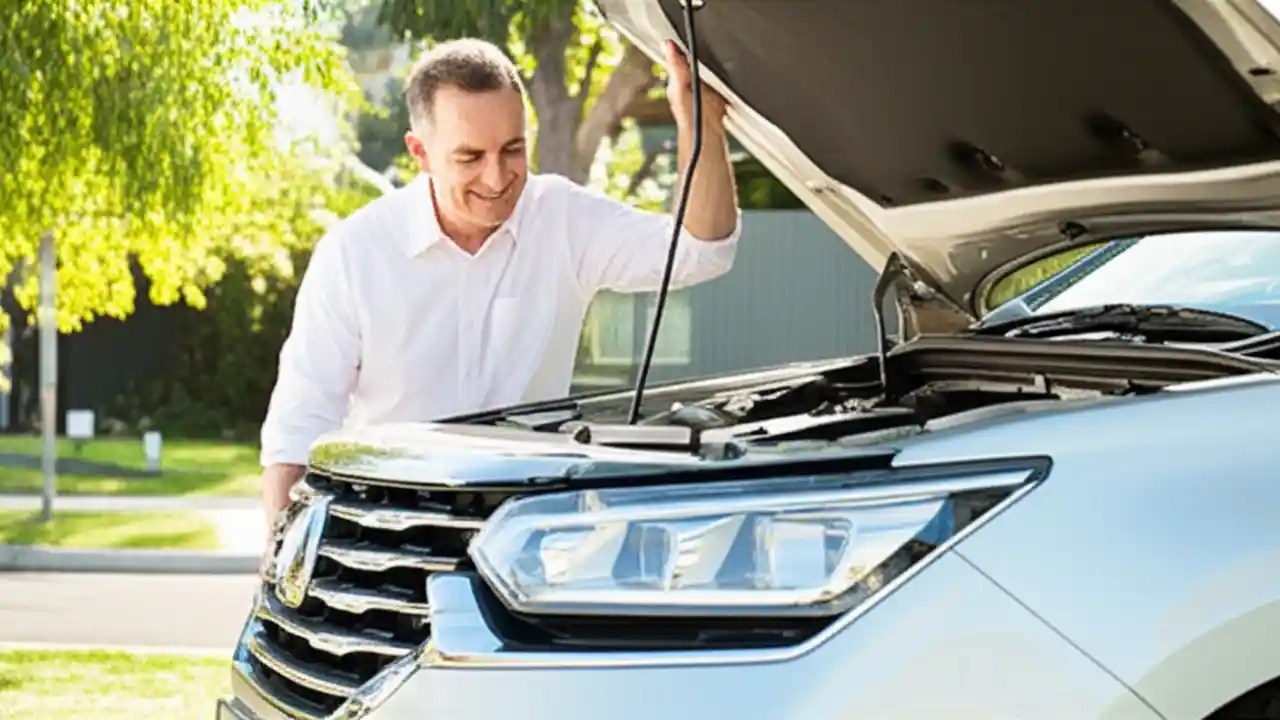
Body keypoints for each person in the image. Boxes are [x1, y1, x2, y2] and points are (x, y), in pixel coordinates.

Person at [258, 37, 741, 525]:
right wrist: (278, 563)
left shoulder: (562, 219)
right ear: (420, 152)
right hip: (390, 525)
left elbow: (701, 251)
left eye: (513, 149)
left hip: (530, 526)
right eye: (470, 157)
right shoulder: (354, 253)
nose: (496, 178)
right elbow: (300, 423)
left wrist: (698, 122)